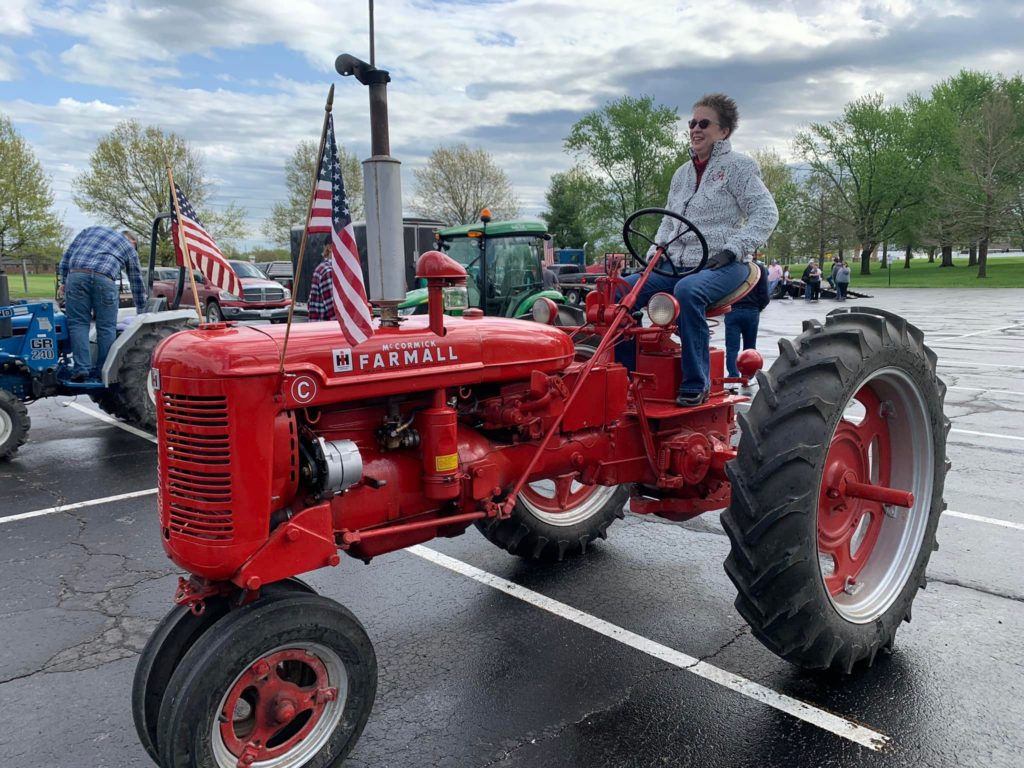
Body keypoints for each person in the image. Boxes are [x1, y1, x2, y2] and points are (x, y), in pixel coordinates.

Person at [615, 93, 779, 407]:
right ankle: (626, 375)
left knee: (689, 291)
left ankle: (696, 382)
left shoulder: (738, 167)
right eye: (692, 123)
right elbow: (667, 222)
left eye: (704, 123)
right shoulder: (682, 174)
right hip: (677, 264)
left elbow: (766, 213)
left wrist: (733, 249)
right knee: (621, 291)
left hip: (725, 264)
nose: (695, 129)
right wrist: (653, 257)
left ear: (724, 132)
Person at [58, 227, 146, 382]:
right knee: (106, 327)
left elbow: (66, 258)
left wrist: (64, 281)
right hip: (104, 279)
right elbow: (136, 281)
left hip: (76, 274)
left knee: (78, 324)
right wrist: (142, 310)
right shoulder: (129, 249)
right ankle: (103, 371)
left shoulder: (91, 230)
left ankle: (81, 369)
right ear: (132, 241)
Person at [725, 257, 770, 381]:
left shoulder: (730, 268)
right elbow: (764, 294)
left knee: (732, 347)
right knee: (750, 346)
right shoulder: (759, 268)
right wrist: (759, 307)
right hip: (752, 310)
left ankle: (733, 376)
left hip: (732, 309)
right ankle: (747, 376)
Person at [307, 243, 336, 321]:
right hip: (329, 327)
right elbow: (333, 308)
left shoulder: (322, 267)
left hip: (318, 326)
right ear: (330, 247)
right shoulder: (329, 271)